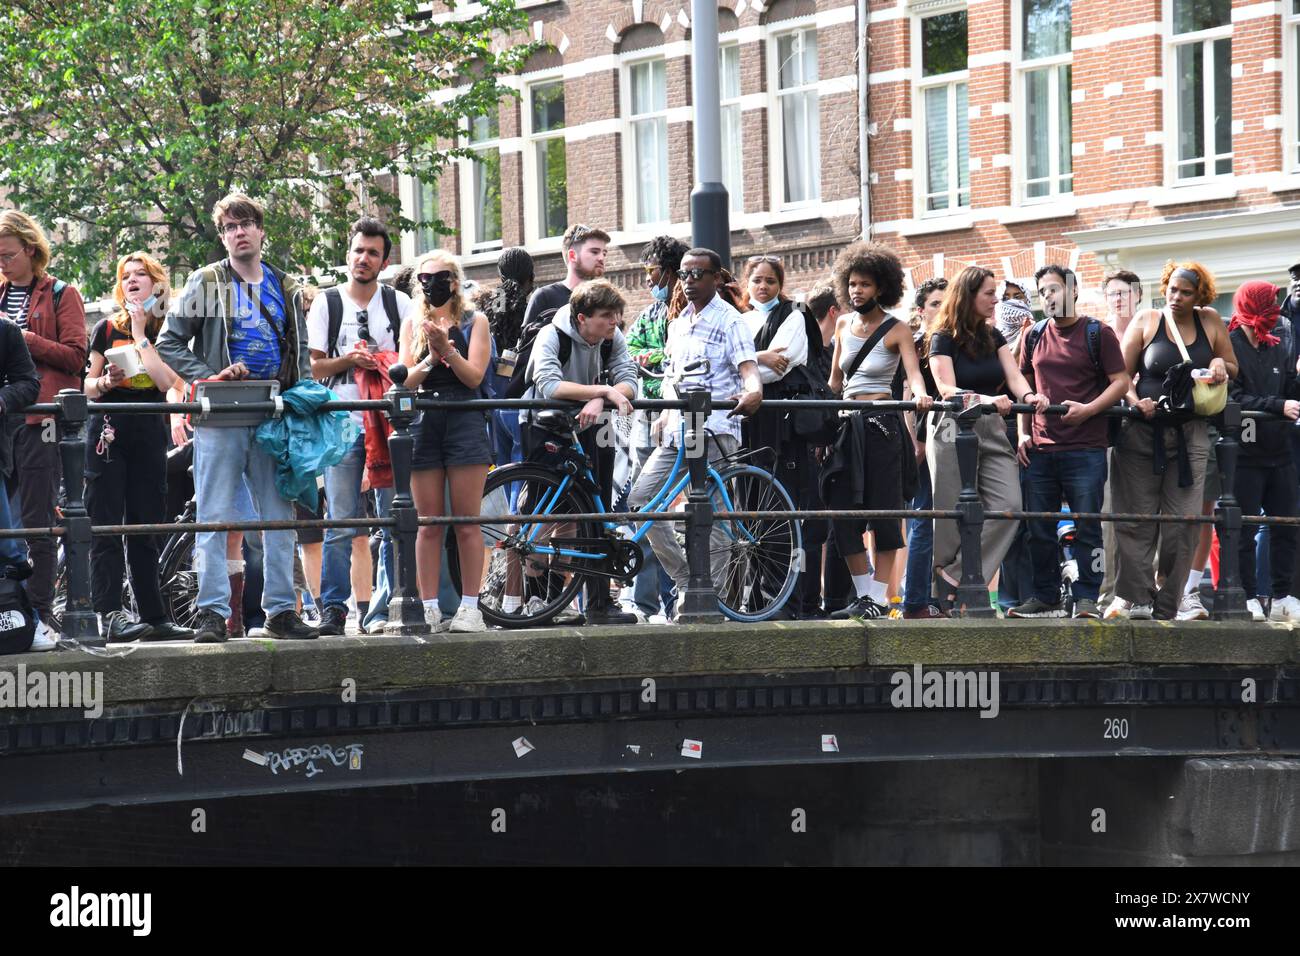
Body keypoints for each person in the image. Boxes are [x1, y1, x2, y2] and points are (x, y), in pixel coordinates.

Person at [157, 193, 320, 642]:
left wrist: (302, 403)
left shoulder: (285, 285)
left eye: (245, 223)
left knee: (278, 516)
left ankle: (281, 612)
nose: (238, 232)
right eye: (229, 226)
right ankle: (212, 614)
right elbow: (170, 341)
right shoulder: (207, 281)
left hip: (272, 411)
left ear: (261, 230)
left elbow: (300, 354)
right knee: (213, 516)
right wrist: (210, 377)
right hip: (220, 414)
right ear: (222, 235)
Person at [628, 248, 762, 607]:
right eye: (685, 274)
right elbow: (673, 376)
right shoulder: (678, 323)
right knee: (641, 501)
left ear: (716, 278)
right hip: (678, 430)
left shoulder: (731, 321)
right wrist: (663, 414)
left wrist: (754, 391)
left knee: (713, 513)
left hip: (715, 428)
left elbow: (749, 368)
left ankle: (712, 597)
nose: (689, 282)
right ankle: (688, 579)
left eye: (698, 274)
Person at [1108, 261, 1237, 621]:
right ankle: (1132, 598)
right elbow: (1120, 375)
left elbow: (1233, 364)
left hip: (1190, 434)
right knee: (1136, 518)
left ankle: (1170, 602)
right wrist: (1136, 402)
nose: (1176, 297)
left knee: (1184, 520)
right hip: (1141, 432)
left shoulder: (1210, 320)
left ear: (1200, 296)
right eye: (1172, 289)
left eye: (1185, 292)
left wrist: (1219, 364)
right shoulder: (1147, 320)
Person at [306, 217, 410, 636]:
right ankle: (334, 609)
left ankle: (385, 607)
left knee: (392, 517)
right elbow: (312, 368)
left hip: (387, 424)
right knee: (341, 520)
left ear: (384, 262)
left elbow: (410, 359)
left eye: (372, 253)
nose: (363, 258)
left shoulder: (398, 304)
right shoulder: (326, 303)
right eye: (357, 251)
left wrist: (382, 362)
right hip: (341, 422)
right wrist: (350, 360)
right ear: (347, 255)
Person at [83, 252, 194, 642]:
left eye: (140, 275)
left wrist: (142, 333)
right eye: (125, 276)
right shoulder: (105, 328)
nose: (131, 281)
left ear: (155, 284)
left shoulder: (169, 329)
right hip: (109, 432)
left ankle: (154, 616)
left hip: (149, 431)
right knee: (108, 524)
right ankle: (110, 613)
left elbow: (168, 383)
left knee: (146, 525)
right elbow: (87, 387)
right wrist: (107, 383)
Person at [1010, 265, 1129, 620]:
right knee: (1039, 528)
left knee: (1088, 526)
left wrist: (1090, 410)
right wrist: (1022, 433)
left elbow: (1121, 382)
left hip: (1086, 448)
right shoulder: (1033, 335)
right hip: (1041, 449)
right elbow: (1024, 387)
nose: (1048, 297)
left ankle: (1087, 598)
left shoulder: (1098, 332)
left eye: (1054, 290)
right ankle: (1045, 597)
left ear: (1073, 291)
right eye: (1042, 292)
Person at [925, 267, 1047, 610]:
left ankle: (956, 575)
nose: (996, 300)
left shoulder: (994, 337)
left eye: (997, 293)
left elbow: (1014, 377)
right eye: (989, 294)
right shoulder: (943, 337)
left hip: (991, 425)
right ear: (968, 296)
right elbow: (946, 388)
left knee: (1010, 506)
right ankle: (944, 592)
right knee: (950, 511)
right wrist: (987, 399)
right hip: (954, 425)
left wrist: (1030, 397)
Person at [823, 243, 933, 619]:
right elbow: (835, 383)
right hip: (847, 427)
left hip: (883, 427)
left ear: (881, 287)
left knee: (884, 514)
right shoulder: (841, 326)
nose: (857, 291)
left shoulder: (897, 329)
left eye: (865, 284)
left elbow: (915, 376)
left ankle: (879, 599)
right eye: (852, 284)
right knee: (841, 514)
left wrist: (920, 397)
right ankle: (865, 595)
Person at [518, 278, 638, 623]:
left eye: (616, 315)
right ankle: (536, 599)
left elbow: (629, 379)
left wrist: (603, 397)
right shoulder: (552, 335)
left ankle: (590, 602)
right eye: (605, 316)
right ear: (582, 317)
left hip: (594, 425)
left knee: (591, 513)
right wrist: (602, 390)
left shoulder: (612, 338)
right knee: (544, 512)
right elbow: (549, 384)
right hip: (546, 424)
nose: (614, 323)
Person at [0, 210, 87, 650]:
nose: (3, 265)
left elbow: (76, 357)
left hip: (42, 420)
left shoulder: (60, 294)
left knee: (36, 520)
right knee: (5, 522)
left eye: (8, 256)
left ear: (31, 250)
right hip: (5, 423)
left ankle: (37, 614)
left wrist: (23, 339)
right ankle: (9, 610)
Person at [399, 250, 492, 633]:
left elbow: (474, 377)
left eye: (438, 277)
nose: (431, 284)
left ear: (454, 281)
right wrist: (432, 357)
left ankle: (471, 607)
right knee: (429, 523)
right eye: (424, 278)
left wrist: (448, 349)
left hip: (465, 417)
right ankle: (430, 607)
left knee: (467, 521)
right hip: (425, 419)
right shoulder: (413, 323)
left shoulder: (476, 321)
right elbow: (403, 381)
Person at [739, 254, 825, 617]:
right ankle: (755, 596)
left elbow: (782, 365)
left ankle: (787, 599)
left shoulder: (794, 315)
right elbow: (738, 362)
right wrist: (757, 355)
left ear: (780, 284)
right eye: (757, 280)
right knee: (751, 506)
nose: (763, 287)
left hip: (781, 421)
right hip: (748, 419)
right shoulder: (739, 319)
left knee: (785, 505)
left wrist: (744, 363)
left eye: (770, 281)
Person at [1226, 280, 1300, 621]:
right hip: (1245, 452)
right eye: (1269, 303)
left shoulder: (1280, 341)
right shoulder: (1229, 344)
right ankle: (1250, 596)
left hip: (1280, 449)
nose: (1275, 310)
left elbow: (1288, 386)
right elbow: (1233, 397)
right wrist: (1278, 404)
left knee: (1287, 525)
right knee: (1242, 528)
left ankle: (1283, 594)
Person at [625, 236, 689, 621]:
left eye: (651, 272)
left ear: (669, 271)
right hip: (646, 414)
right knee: (643, 505)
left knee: (691, 507)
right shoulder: (648, 316)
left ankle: (684, 591)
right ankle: (645, 601)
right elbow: (632, 351)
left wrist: (658, 357)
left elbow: (670, 358)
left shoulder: (685, 314)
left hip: (679, 415)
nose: (649, 281)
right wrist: (658, 356)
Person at [802, 281, 852, 617]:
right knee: (816, 526)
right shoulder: (811, 354)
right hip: (814, 449)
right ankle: (811, 602)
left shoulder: (816, 354)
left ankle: (831, 600)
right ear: (834, 312)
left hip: (827, 446)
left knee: (834, 524)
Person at [901, 278, 947, 619]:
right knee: (924, 519)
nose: (941, 309)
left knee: (956, 519)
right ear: (921, 310)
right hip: (924, 439)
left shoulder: (955, 343)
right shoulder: (916, 345)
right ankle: (914, 600)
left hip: (955, 437)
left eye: (946, 303)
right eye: (934, 303)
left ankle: (942, 598)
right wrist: (914, 440)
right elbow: (907, 395)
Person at [0, 310, 41, 616]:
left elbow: (28, 383)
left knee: (7, 548)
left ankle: (25, 620)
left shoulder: (5, 331)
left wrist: (1, 399)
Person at [485, 247, 534, 465]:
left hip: (494, 401)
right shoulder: (533, 308)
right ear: (530, 278)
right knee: (522, 471)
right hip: (521, 400)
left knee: (502, 471)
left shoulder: (491, 307)